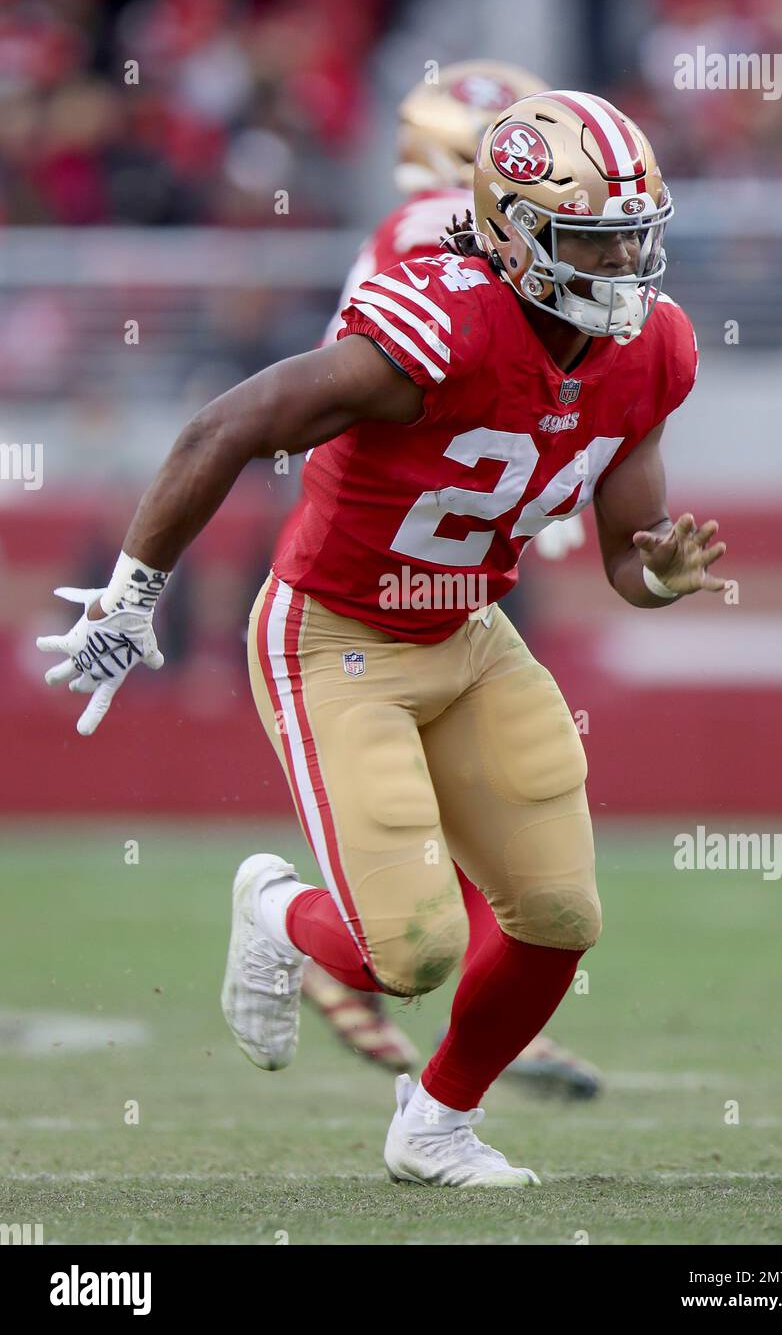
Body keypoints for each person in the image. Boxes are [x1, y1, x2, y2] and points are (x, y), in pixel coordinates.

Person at [37, 88, 729, 1187]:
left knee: (557, 914)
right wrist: (131, 592)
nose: (622, 266)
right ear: (514, 229)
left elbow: (622, 551)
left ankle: (435, 1123)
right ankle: (271, 906)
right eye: (592, 239)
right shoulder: (440, 320)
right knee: (407, 951)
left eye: (633, 237)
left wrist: (655, 573)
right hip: (334, 633)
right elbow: (228, 424)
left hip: (468, 630)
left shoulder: (649, 349)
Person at [288, 59, 599, 1097]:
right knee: (409, 793)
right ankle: (348, 951)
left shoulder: (433, 233)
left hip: (455, 525)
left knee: (484, 789)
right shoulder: (441, 238)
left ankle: (458, 982)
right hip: (402, 533)